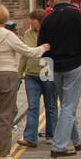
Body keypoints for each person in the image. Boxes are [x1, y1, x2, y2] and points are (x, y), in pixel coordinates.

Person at [0, 3, 49, 159]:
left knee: (7, 110)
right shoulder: (8, 35)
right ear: (5, 17)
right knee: (6, 112)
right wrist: (43, 48)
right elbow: (28, 52)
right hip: (7, 73)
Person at [38, 0, 81, 158]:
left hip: (55, 67)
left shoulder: (48, 19)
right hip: (74, 66)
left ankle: (76, 141)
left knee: (67, 105)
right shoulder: (77, 15)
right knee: (69, 107)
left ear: (55, 1)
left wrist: (45, 71)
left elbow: (42, 46)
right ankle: (59, 146)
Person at [20, 8, 57, 146]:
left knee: (51, 105)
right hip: (31, 74)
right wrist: (20, 73)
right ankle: (30, 137)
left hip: (47, 71)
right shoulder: (27, 34)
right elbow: (24, 54)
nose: (30, 22)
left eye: (33, 20)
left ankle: (51, 135)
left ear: (40, 21)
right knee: (33, 106)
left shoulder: (50, 33)